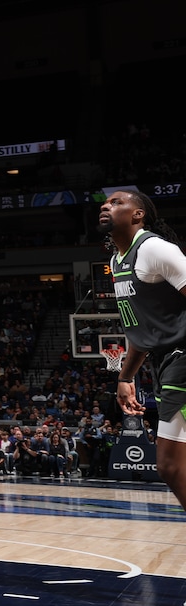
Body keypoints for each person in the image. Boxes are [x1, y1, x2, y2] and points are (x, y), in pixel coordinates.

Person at [101, 190, 186, 509]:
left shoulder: (154, 249)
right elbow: (139, 330)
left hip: (182, 356)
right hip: (164, 362)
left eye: (116, 202)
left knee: (169, 465)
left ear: (138, 215)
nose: (106, 206)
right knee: (174, 466)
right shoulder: (116, 261)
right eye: (105, 203)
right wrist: (125, 378)